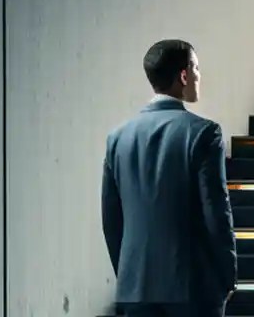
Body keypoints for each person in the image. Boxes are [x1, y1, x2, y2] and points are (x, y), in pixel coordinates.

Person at [102, 39, 238, 317]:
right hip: (193, 288)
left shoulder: (117, 138)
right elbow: (216, 211)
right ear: (184, 75)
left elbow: (111, 220)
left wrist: (128, 277)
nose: (199, 75)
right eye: (196, 68)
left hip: (136, 288)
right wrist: (227, 275)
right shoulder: (204, 133)